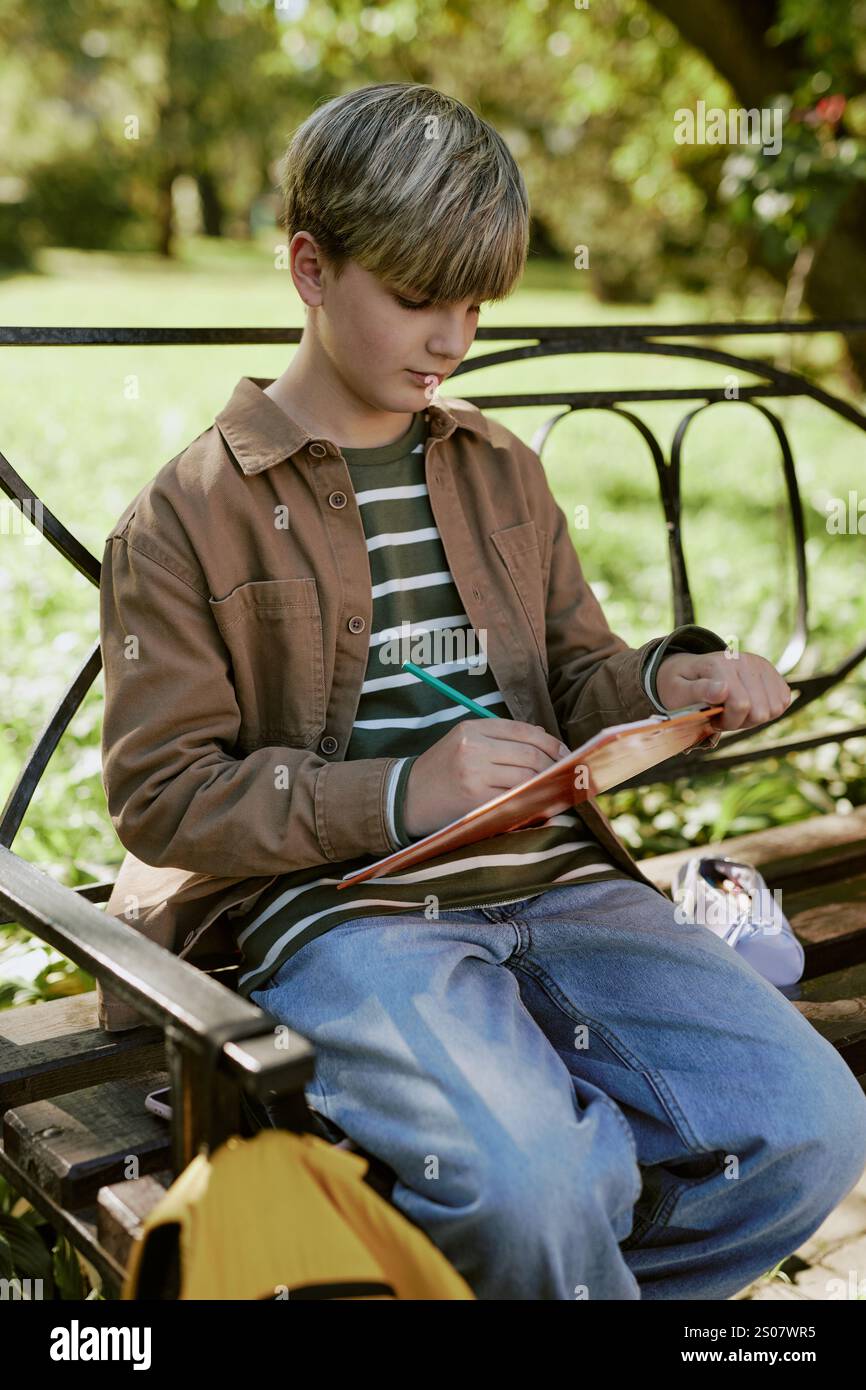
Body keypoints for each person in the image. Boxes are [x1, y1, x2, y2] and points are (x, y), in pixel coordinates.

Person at [99, 82, 866, 1300]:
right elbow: (162, 798)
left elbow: (574, 679)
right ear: (308, 266)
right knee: (536, 1187)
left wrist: (669, 678)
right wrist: (401, 792)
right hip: (346, 920)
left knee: (813, 1122)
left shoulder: (498, 468)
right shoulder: (188, 516)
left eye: (472, 301)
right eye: (417, 298)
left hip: (559, 884)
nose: (452, 337)